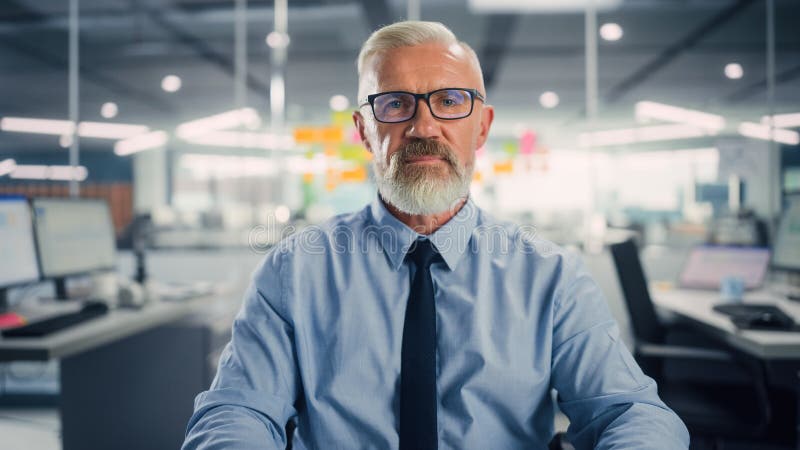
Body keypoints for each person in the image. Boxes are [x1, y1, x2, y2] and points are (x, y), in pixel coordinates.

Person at [183, 21, 689, 450]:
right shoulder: (294, 271)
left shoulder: (551, 276)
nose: (424, 127)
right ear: (364, 130)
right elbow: (238, 411)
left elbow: (630, 412)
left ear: (482, 128)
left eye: (449, 100)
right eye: (397, 103)